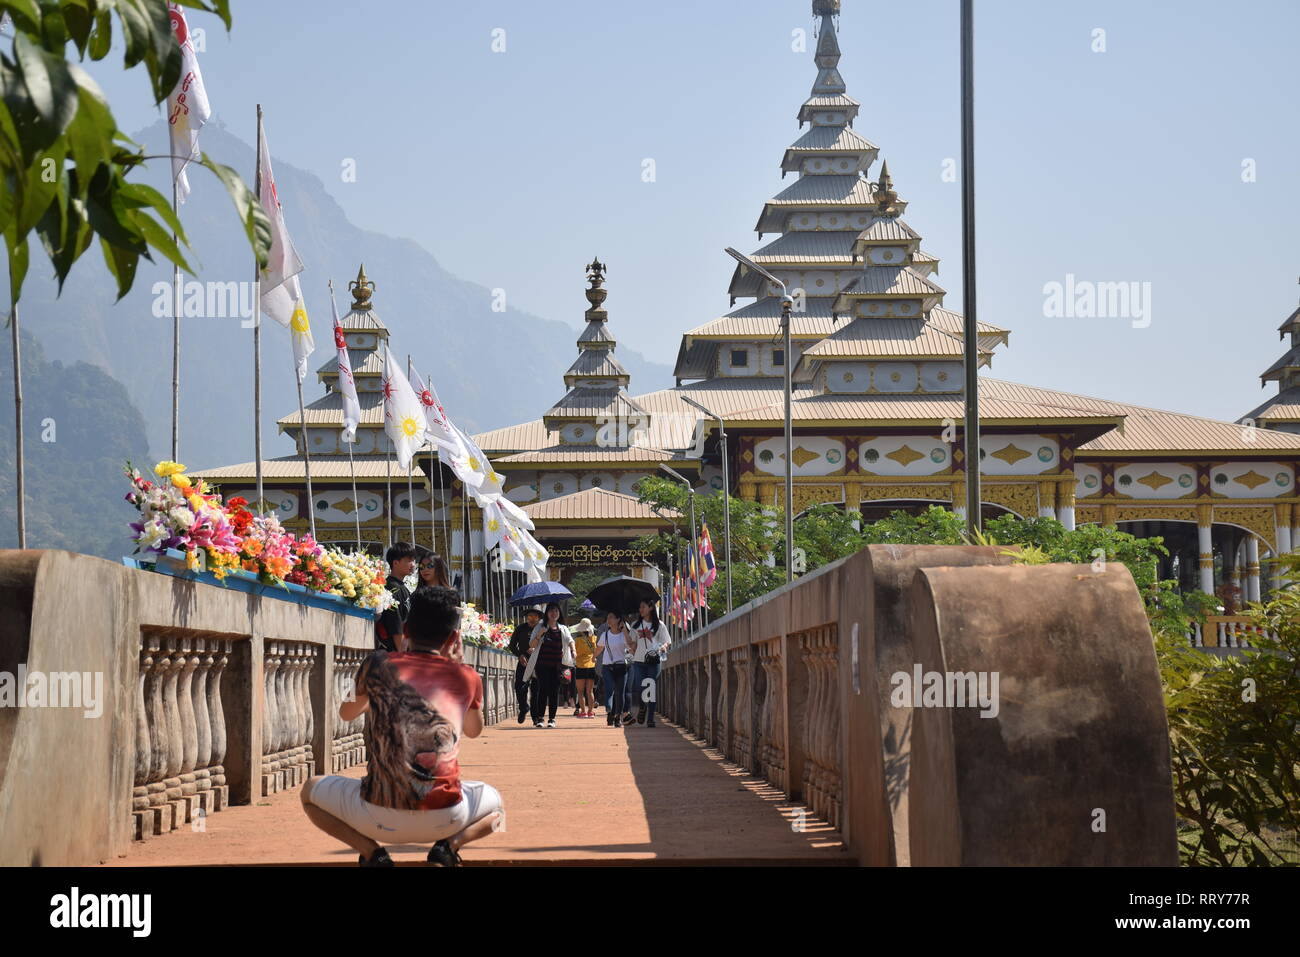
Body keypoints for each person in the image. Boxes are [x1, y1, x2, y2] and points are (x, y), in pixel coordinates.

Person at [301, 585, 504, 866]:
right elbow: (474, 730)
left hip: (375, 814)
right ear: (454, 637)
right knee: (497, 810)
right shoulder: (466, 675)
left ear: (406, 630)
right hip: (447, 816)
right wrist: (460, 671)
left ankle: (372, 853)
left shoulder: (375, 663)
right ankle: (448, 847)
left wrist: (375, 695)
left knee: (310, 791)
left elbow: (346, 712)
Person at [524, 602, 574, 728]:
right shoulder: (540, 627)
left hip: (558, 665)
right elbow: (532, 645)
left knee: (554, 692)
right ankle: (540, 718)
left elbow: (570, 640)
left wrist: (573, 650)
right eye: (551, 611)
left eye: (556, 611)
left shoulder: (563, 628)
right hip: (542, 665)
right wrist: (540, 634)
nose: (554, 613)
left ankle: (552, 719)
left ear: (559, 613)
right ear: (547, 613)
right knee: (543, 690)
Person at [629, 599, 671, 728]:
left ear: (651, 608)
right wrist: (630, 645)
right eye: (640, 607)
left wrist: (663, 647)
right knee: (640, 687)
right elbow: (632, 644)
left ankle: (651, 718)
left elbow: (667, 641)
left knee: (651, 689)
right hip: (639, 661)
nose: (640, 609)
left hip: (654, 660)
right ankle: (642, 706)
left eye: (643, 607)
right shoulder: (635, 625)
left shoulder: (660, 625)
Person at [375, 541, 416, 652]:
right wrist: (402, 655)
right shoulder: (392, 589)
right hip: (394, 651)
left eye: (413, 560)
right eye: (409, 560)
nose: (413, 564)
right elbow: (396, 626)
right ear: (396, 563)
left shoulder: (402, 587)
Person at [596, 610, 631, 727]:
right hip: (607, 666)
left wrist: (625, 631)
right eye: (608, 617)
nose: (608, 619)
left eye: (611, 617)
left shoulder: (623, 635)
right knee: (609, 687)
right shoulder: (605, 635)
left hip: (621, 666)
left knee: (620, 693)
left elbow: (631, 647)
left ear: (618, 620)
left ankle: (617, 717)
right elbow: (599, 648)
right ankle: (609, 708)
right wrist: (593, 656)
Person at [507, 607, 542, 724]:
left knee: (536, 690)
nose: (532, 619)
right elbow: (512, 645)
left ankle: (535, 717)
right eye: (530, 616)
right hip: (524, 661)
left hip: (538, 662)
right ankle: (523, 707)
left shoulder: (542, 629)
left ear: (539, 618)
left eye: (535, 616)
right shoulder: (521, 628)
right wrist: (520, 655)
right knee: (520, 687)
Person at [570, 618, 599, 718]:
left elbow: (575, 653)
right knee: (590, 691)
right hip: (591, 666)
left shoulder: (577, 640)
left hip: (580, 666)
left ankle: (583, 712)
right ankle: (590, 712)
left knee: (580, 691)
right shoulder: (594, 638)